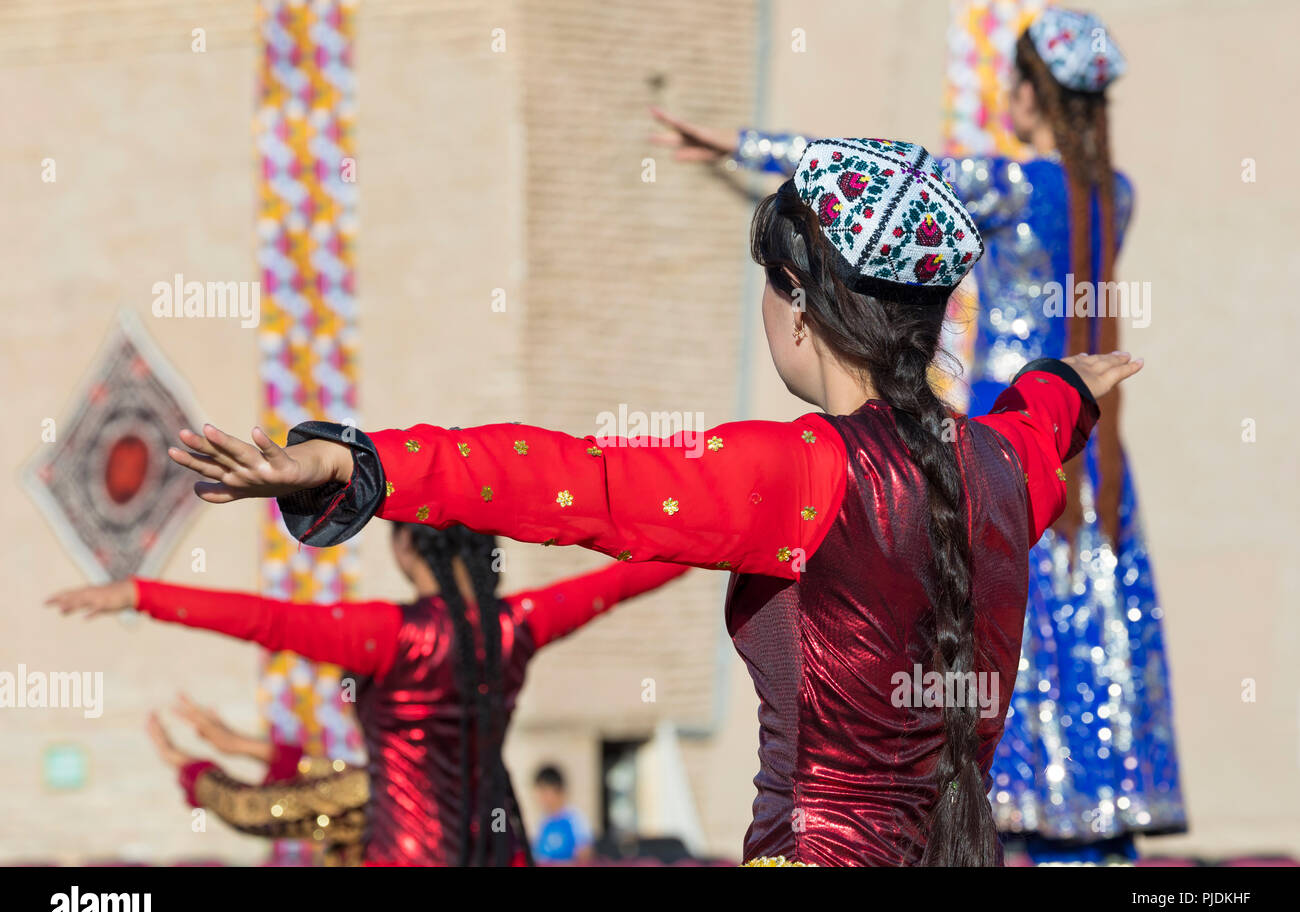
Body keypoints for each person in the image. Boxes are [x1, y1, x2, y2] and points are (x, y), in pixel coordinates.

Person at [163, 136, 1141, 866]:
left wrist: (355, 462)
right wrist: (1067, 384)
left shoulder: (798, 472)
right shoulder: (1002, 464)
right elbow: (1038, 421)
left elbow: (573, 479)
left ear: (797, 298)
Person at [650, 8, 1184, 863]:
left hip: (999, 441)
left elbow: (877, 185)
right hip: (1076, 458)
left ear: (1032, 93)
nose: (1005, 96)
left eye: (1014, 82)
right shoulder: (1112, 194)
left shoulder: (1015, 184)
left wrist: (738, 145)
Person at [48, 523, 688, 866]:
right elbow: (625, 581)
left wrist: (141, 595)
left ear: (409, 546)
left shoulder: (390, 634)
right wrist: (737, 536)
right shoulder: (519, 622)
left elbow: (264, 621)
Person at [144, 695, 369, 865]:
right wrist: (239, 745)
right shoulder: (386, 785)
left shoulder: (386, 797)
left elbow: (251, 810)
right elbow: (342, 783)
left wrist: (182, 761)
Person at [531, 764, 594, 863]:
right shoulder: (542, 822)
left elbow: (586, 853)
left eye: (544, 791)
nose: (540, 797)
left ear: (558, 789)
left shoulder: (575, 819)